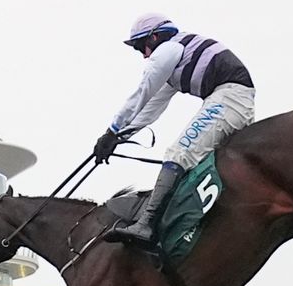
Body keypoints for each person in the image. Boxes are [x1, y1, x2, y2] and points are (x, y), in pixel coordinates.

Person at [93, 14, 256, 248]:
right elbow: (149, 109)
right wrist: (117, 138)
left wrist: (111, 131)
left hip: (230, 98)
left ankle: (146, 224)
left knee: (179, 153)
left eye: (141, 47)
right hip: (233, 100)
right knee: (194, 164)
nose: (144, 55)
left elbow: (142, 93)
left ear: (155, 37)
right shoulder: (176, 61)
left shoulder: (169, 49)